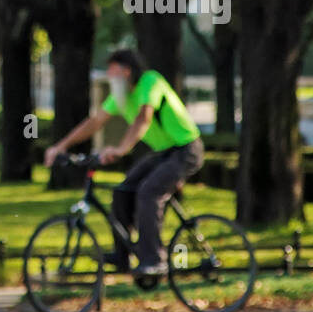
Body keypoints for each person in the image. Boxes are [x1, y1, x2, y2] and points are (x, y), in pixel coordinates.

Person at [44, 48, 204, 276]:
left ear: (126, 71)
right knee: (122, 191)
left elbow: (144, 117)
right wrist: (61, 146)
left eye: (112, 70)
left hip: (186, 149)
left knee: (148, 193)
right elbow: (94, 122)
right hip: (165, 152)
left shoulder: (151, 81)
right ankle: (122, 256)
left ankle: (154, 260)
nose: (109, 76)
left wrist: (121, 149)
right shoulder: (121, 97)